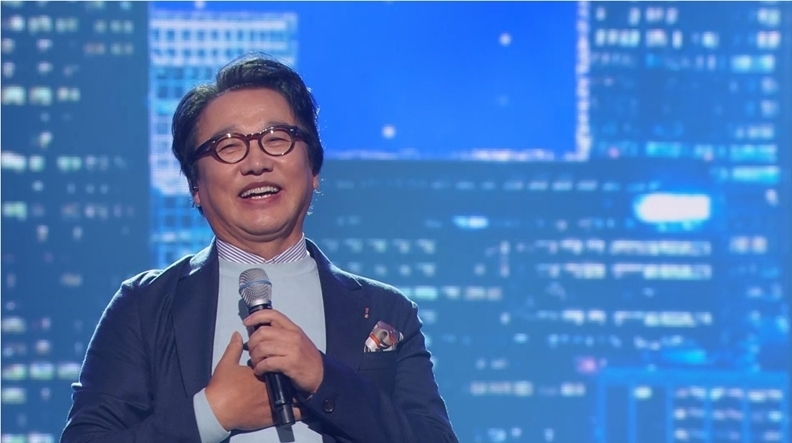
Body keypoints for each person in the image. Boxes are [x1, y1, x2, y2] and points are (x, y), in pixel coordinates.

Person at [60, 53, 459, 443]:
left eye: (276, 139)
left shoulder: (387, 311)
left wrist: (324, 378)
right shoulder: (144, 306)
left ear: (314, 169)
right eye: (228, 146)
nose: (256, 163)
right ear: (195, 186)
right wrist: (211, 414)